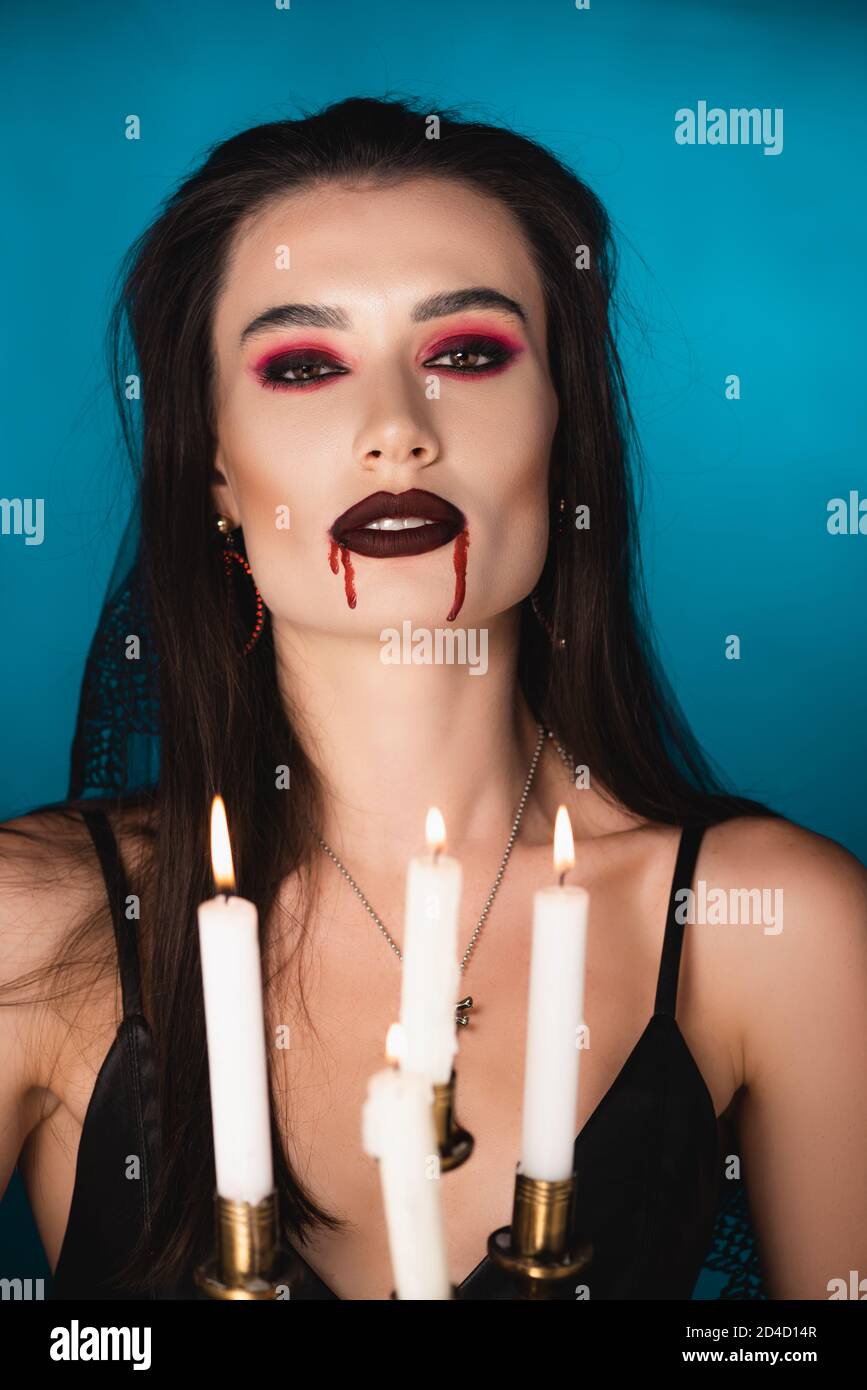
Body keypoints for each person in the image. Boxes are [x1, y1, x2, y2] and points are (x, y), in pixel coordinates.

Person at [1, 95, 865, 1302]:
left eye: (465, 354)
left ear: (563, 432)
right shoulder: (29, 925)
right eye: (303, 366)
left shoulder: (776, 925)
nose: (396, 433)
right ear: (213, 470)